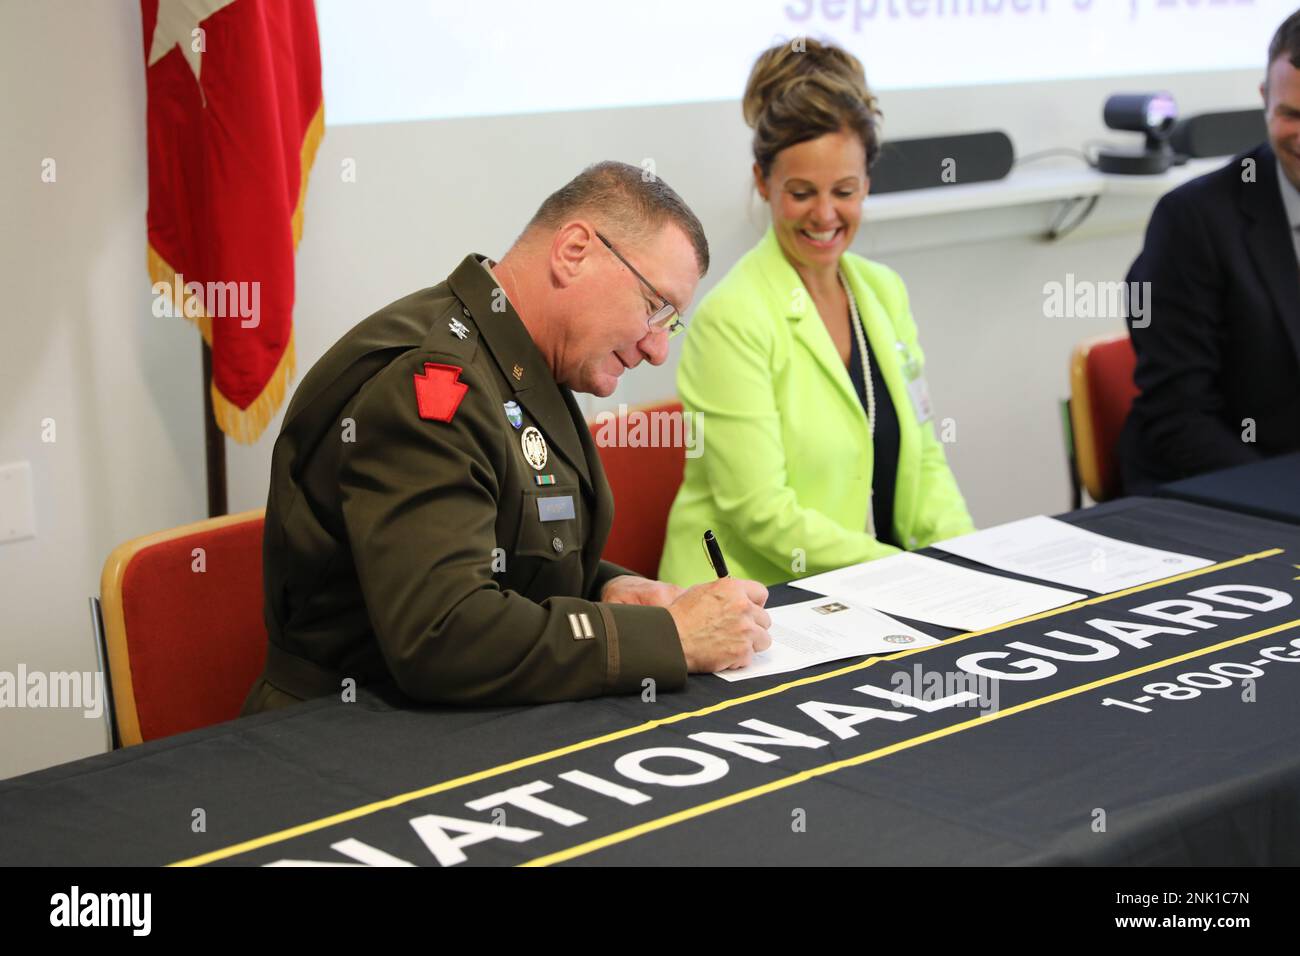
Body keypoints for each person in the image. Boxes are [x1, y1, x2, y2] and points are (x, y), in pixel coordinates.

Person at [242, 162, 772, 714]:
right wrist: (670, 639)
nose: (657, 349)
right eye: (654, 308)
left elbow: (508, 558)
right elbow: (444, 634)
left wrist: (609, 592)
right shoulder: (426, 385)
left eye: (671, 323)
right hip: (346, 733)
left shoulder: (519, 360)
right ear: (573, 251)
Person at [658, 40, 974, 587]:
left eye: (844, 191)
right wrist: (905, 571)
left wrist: (971, 561)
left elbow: (925, 460)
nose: (825, 215)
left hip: (872, 585)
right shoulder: (732, 319)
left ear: (867, 184)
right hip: (752, 607)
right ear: (763, 182)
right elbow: (761, 512)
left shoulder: (884, 291)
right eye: (801, 193)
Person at [1119, 10, 1300, 494]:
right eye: (1291, 115)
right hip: (1222, 492)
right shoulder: (1192, 220)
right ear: (1265, 101)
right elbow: (1179, 418)